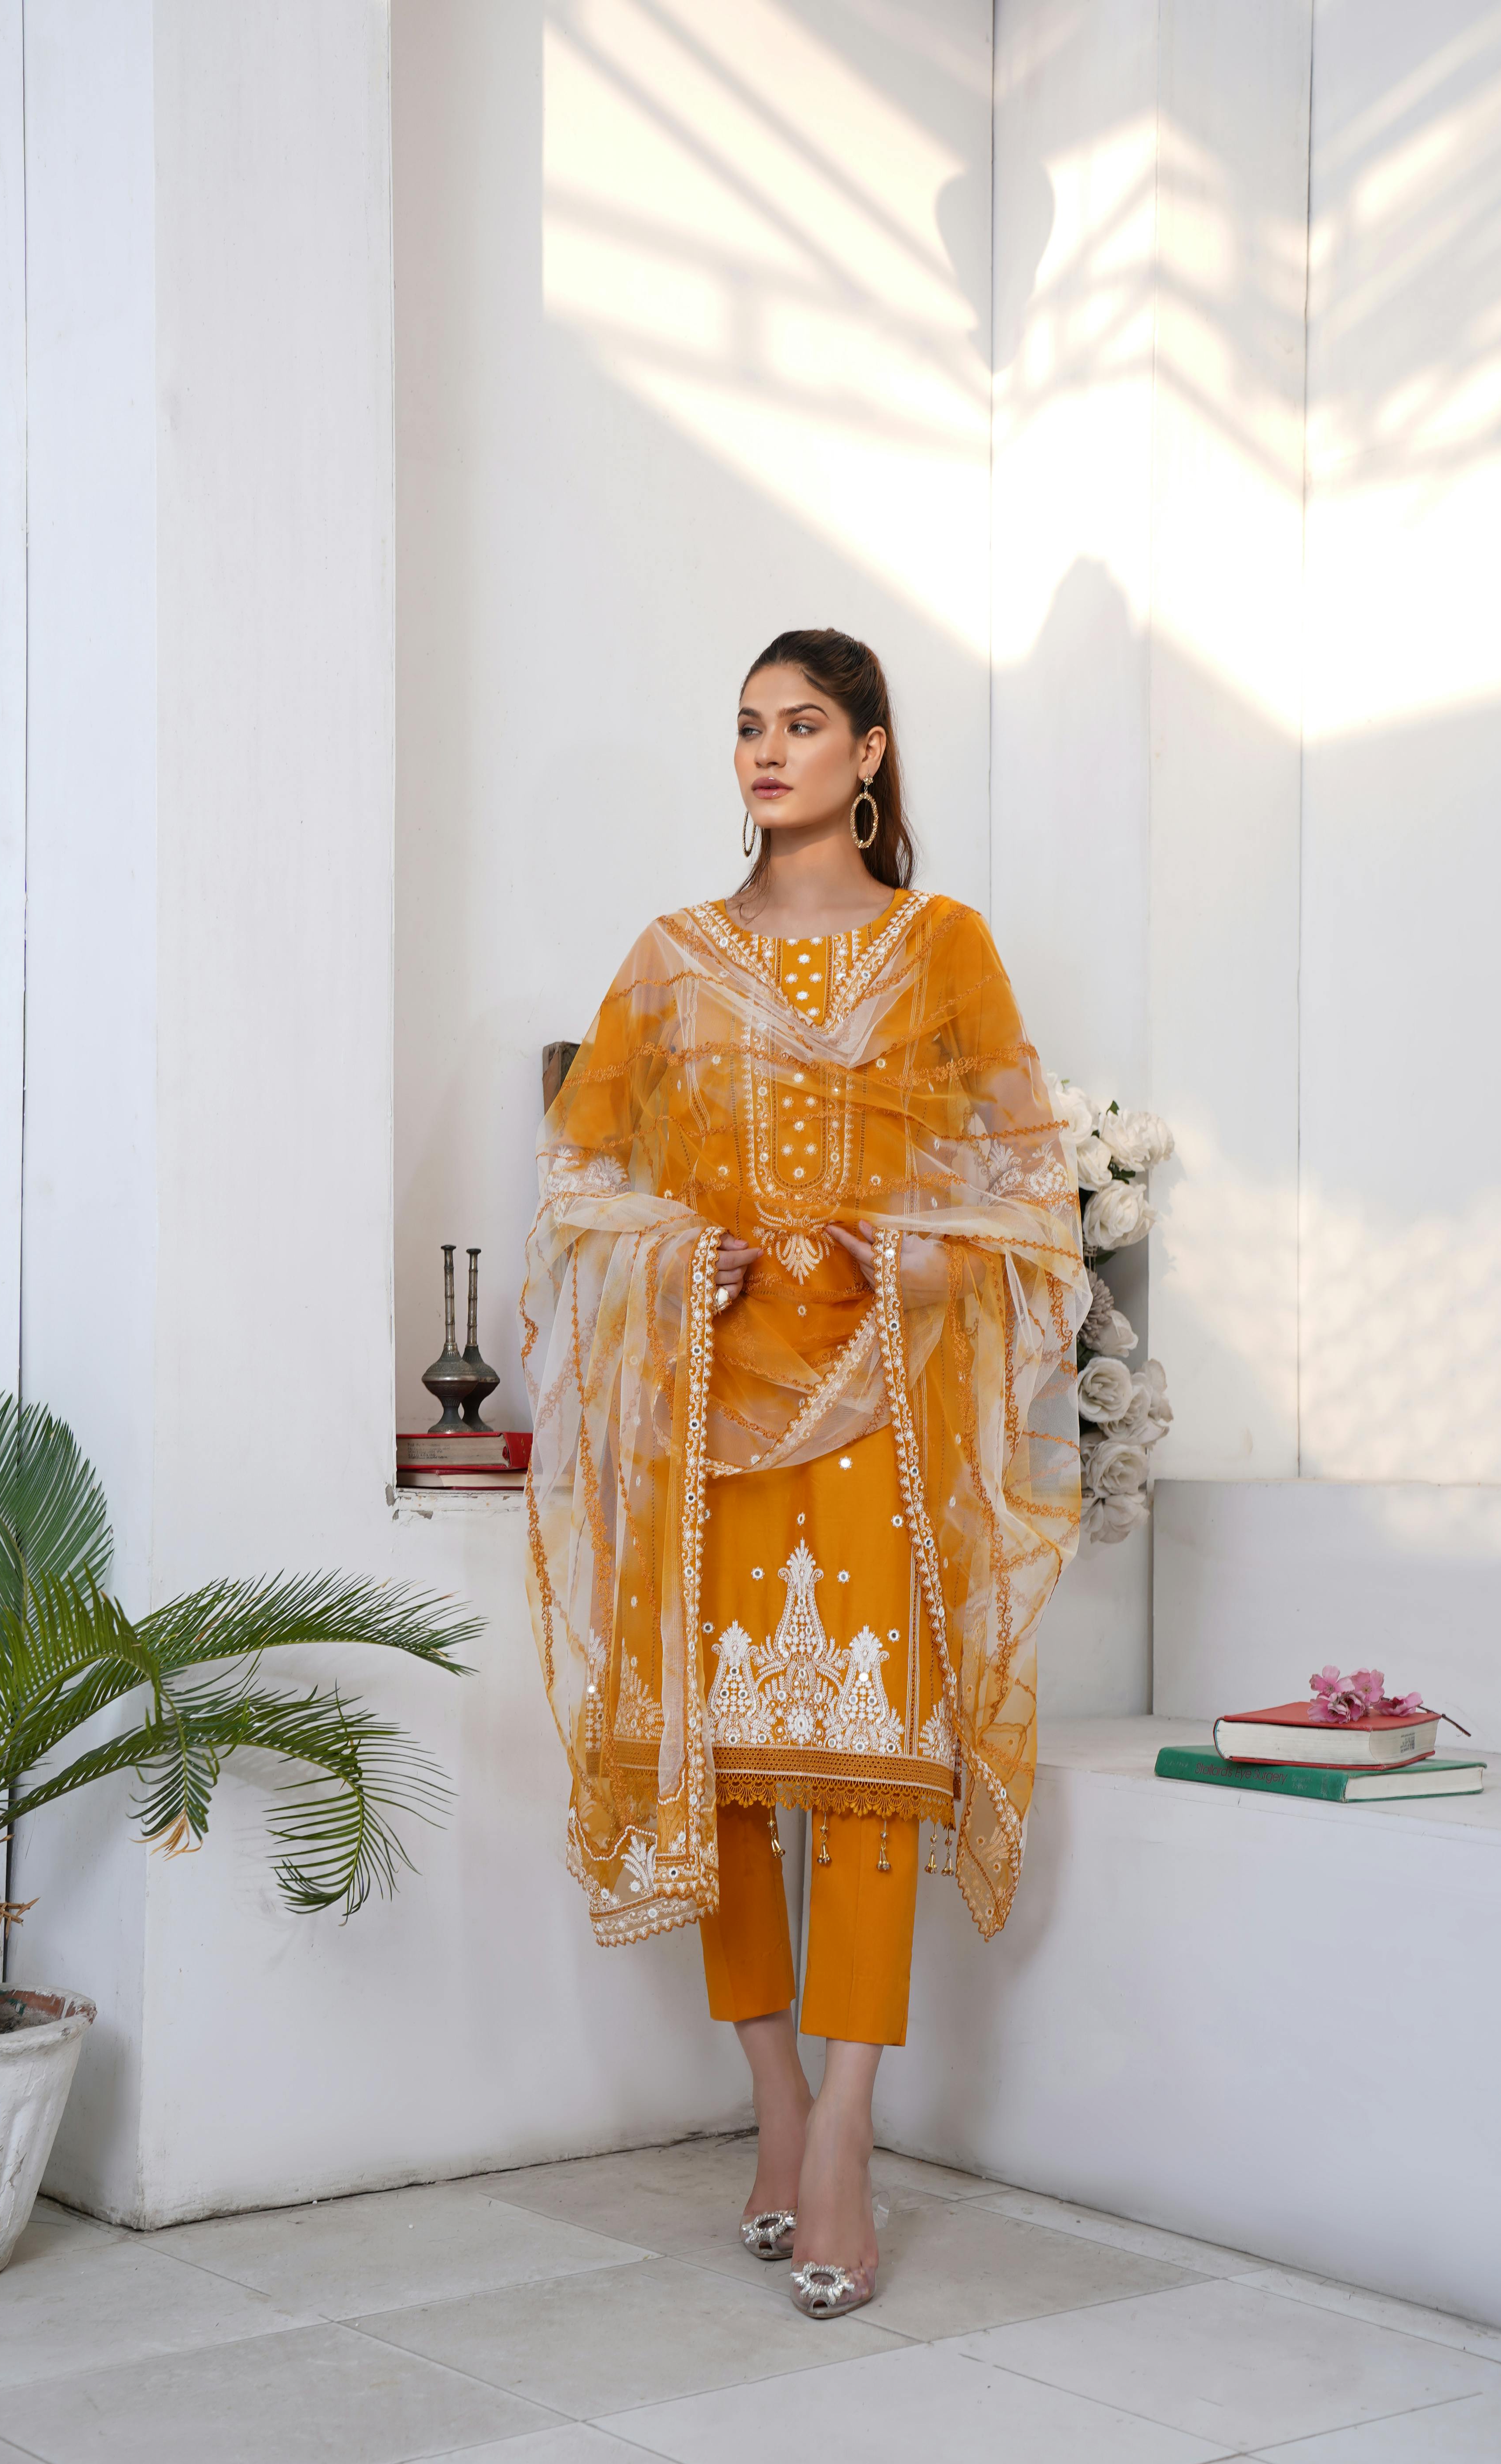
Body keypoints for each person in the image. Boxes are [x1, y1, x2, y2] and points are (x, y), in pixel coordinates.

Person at [523, 628, 1085, 2316]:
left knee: (864, 1782)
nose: (768, 753)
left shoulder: (946, 947)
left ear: (872, 753)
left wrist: (927, 1266)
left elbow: (1031, 1183)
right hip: (712, 1422)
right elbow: (577, 1184)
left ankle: (843, 2130)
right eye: (749, 728)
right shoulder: (671, 960)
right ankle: (771, 2101)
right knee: (730, 1780)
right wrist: (667, 1263)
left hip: (881, 1423)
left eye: (803, 725)